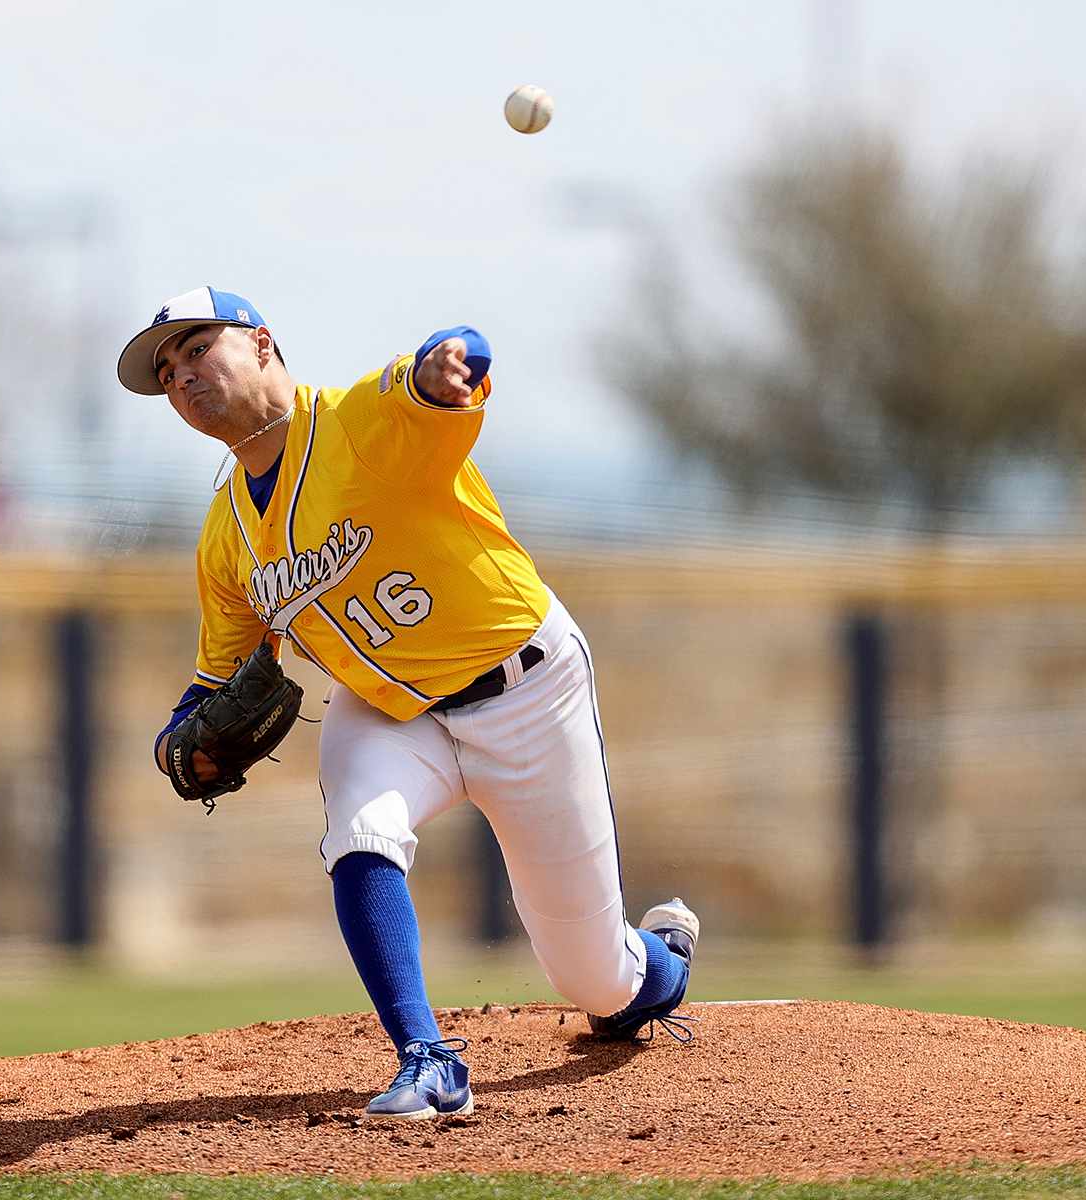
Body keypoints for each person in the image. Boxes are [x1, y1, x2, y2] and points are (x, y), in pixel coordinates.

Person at [118, 286, 700, 1121]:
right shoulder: (225, 535)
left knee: (598, 983)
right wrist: (174, 743)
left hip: (526, 689)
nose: (181, 376)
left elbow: (439, 372)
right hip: (389, 711)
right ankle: (428, 1061)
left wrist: (448, 362)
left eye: (197, 348)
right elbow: (218, 678)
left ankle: (663, 958)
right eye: (167, 372)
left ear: (263, 343)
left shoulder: (359, 421)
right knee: (359, 831)